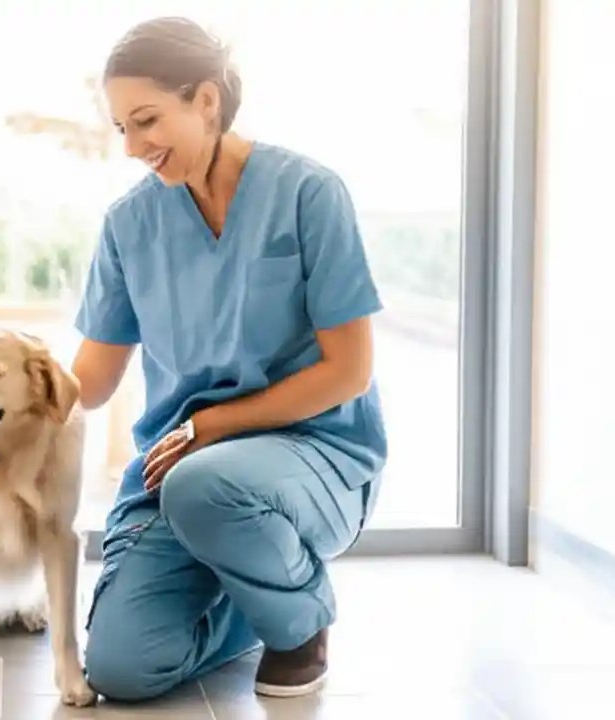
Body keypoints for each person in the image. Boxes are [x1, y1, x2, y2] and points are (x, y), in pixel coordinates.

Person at [71, 16, 387, 703]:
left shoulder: (308, 194)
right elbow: (89, 383)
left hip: (312, 456)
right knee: (121, 670)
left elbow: (348, 372)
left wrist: (209, 428)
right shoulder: (130, 225)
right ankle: (251, 591)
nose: (132, 146)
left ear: (206, 100)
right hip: (183, 471)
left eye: (146, 120)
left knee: (202, 484)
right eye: (121, 127)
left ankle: (299, 624)